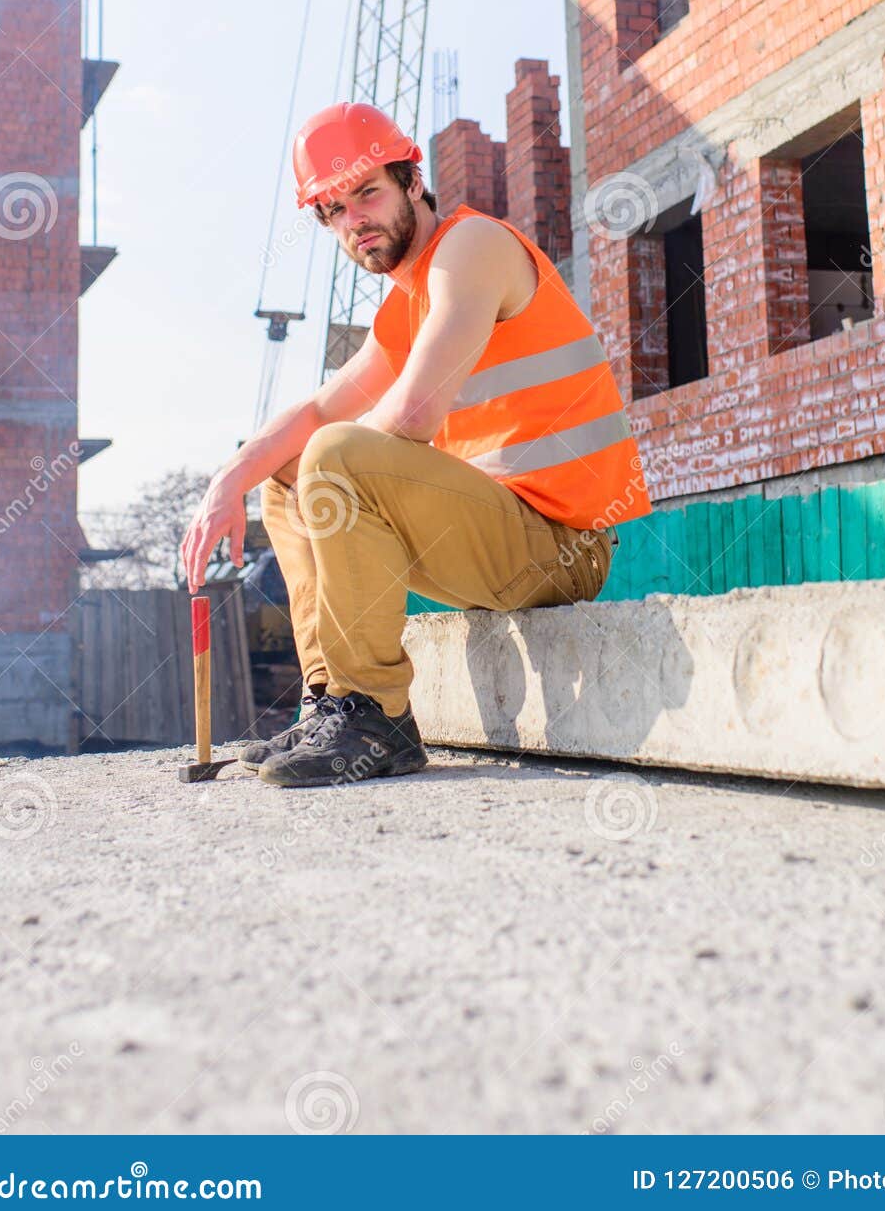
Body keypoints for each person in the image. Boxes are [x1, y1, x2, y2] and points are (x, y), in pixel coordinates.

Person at [181, 101, 652, 788]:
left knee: (329, 456)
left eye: (367, 191)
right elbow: (317, 407)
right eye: (335, 210)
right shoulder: (408, 301)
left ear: (411, 179)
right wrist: (229, 480)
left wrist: (325, 472)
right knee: (285, 469)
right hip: (494, 537)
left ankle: (376, 718)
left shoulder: (472, 248)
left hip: (562, 545)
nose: (355, 219)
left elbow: (412, 414)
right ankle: (331, 703)